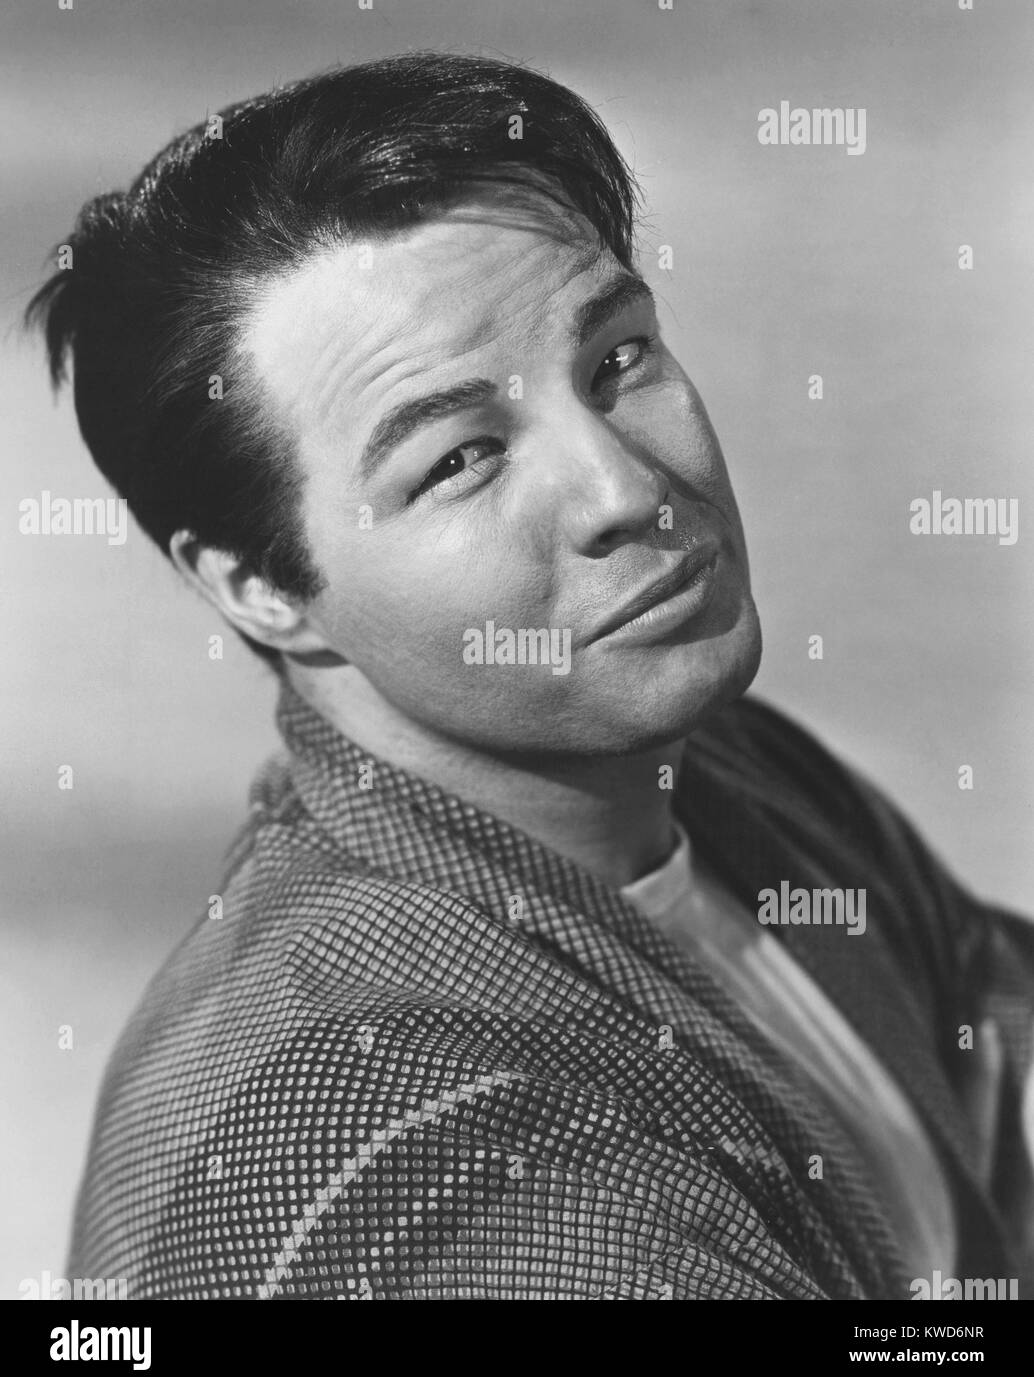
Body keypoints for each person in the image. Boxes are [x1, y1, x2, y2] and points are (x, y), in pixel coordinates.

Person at [28, 52, 1033, 1300]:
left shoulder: (728, 775)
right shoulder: (465, 1173)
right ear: (259, 587)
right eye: (458, 460)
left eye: (616, 360)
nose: (624, 490)